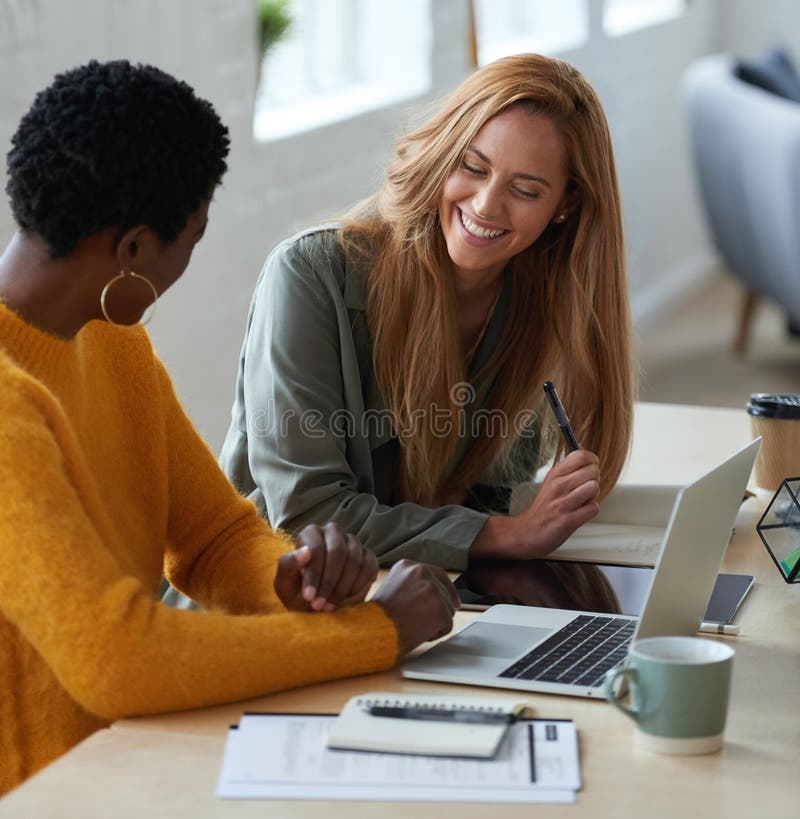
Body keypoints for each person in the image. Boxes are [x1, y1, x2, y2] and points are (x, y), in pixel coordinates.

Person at [0, 60, 459, 796]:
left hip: (139, 755)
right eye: (194, 236)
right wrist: (375, 632)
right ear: (135, 250)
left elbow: (213, 535)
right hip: (51, 789)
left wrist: (287, 577)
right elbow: (117, 658)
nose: (189, 259)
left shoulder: (113, 341)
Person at [220, 53, 635, 569]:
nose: (485, 206)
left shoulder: (536, 303)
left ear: (566, 206)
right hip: (261, 605)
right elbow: (308, 516)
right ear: (445, 153)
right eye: (473, 167)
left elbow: (482, 494)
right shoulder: (307, 275)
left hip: (415, 593)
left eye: (525, 190)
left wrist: (480, 519)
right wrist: (505, 533)